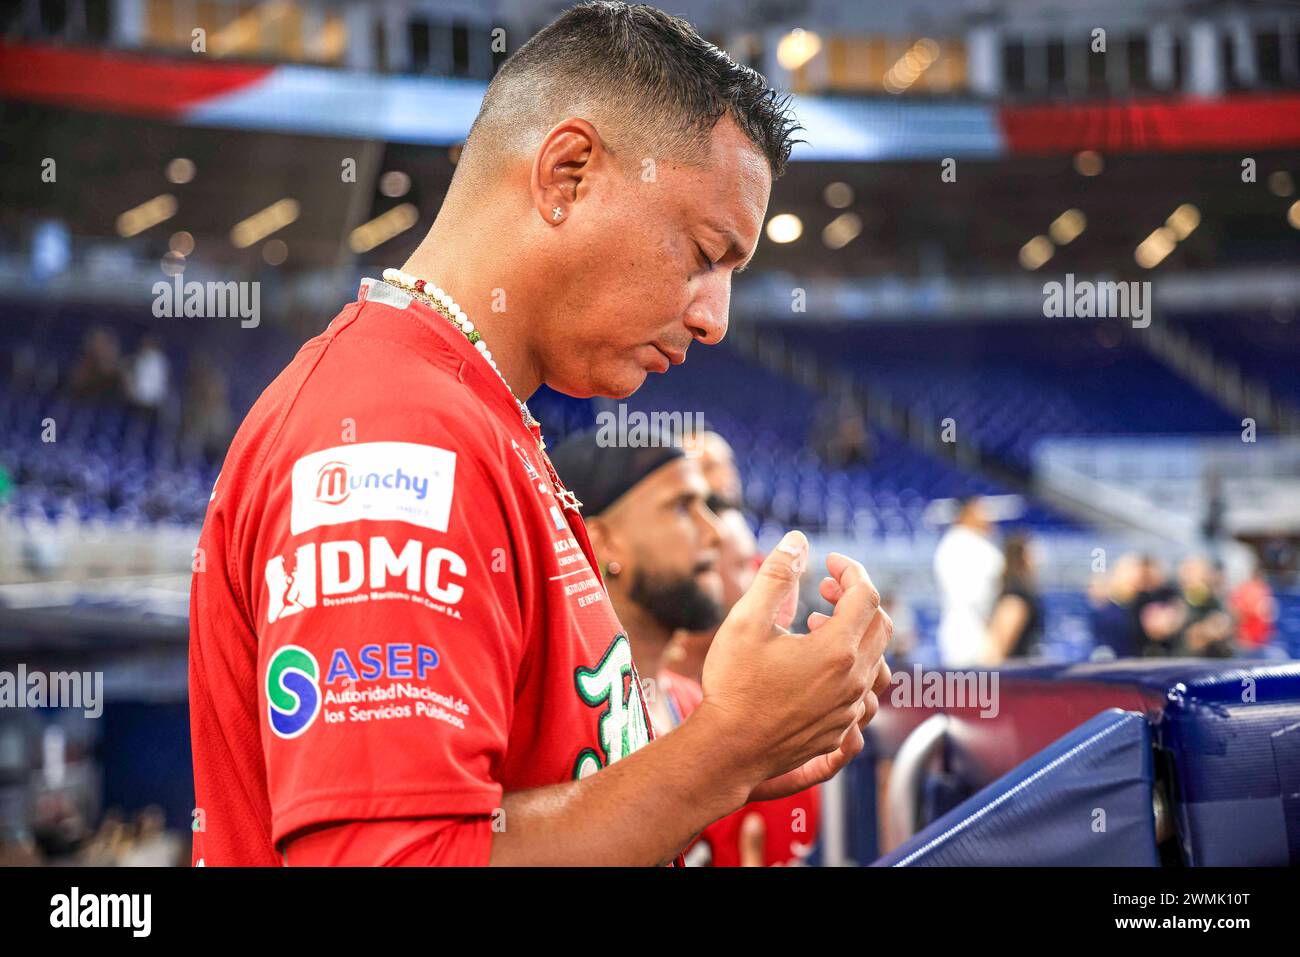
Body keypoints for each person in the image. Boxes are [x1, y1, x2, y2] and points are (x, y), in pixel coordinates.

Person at [189, 2, 892, 867]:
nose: (716, 318)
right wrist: (728, 749)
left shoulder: (473, 414)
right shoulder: (393, 434)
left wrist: (739, 755)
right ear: (567, 173)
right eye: (706, 253)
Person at [546, 429, 725, 735]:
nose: (715, 532)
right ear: (604, 542)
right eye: (682, 506)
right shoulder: (552, 715)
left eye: (706, 506)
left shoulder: (698, 709)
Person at [933, 496, 1003, 667]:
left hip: (963, 631)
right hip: (971, 632)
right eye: (981, 510)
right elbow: (978, 597)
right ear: (966, 513)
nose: (988, 515)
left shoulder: (954, 542)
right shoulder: (965, 545)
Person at [984, 533, 1044, 663]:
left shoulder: (1022, 592)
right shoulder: (1015, 596)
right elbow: (998, 649)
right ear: (1022, 557)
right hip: (1015, 676)